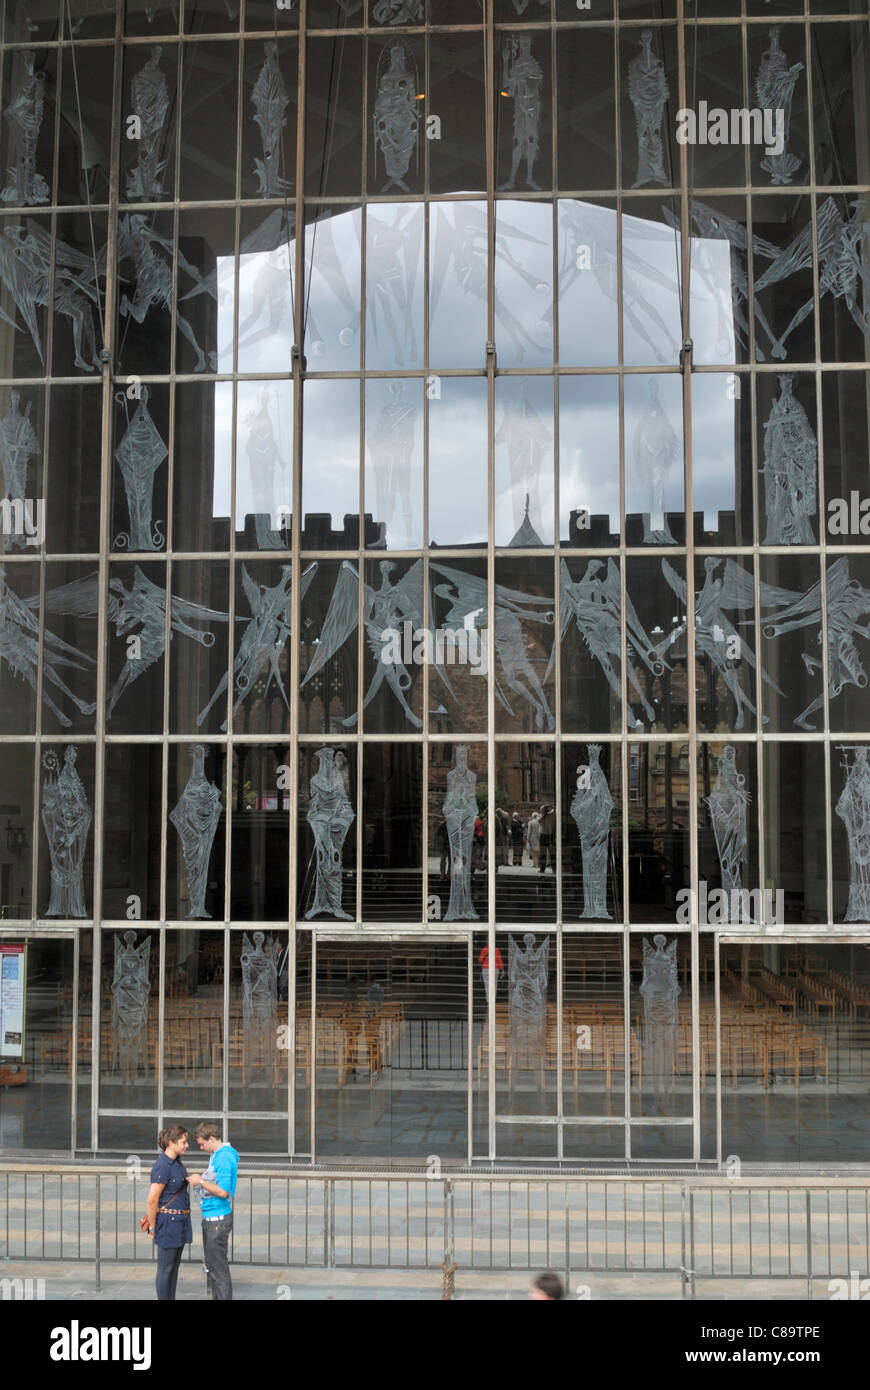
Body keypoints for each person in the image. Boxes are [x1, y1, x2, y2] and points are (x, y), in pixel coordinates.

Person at [188, 1120, 239, 1301]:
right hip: (213, 1217)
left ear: (211, 1138)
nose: (201, 1148)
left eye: (202, 1144)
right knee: (215, 1268)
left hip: (216, 1219)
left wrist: (201, 1182)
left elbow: (224, 1192)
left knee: (218, 1270)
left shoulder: (223, 1157)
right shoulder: (220, 1154)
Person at [143, 1124, 193, 1301]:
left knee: (173, 1268)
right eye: (184, 1142)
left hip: (179, 1221)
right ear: (172, 1143)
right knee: (165, 1268)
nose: (187, 1145)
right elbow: (152, 1199)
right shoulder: (163, 1165)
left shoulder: (176, 1162)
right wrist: (153, 1226)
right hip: (168, 1223)